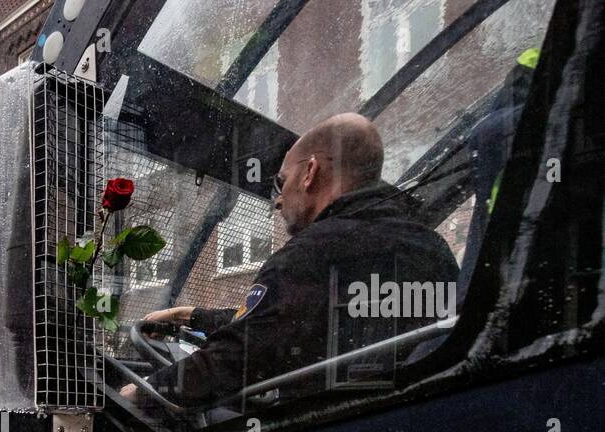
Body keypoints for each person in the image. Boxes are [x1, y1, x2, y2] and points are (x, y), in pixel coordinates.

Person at [121, 112, 459, 411]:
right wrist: (191, 316)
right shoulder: (433, 251)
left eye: (281, 183)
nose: (279, 201)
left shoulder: (311, 255)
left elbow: (234, 360)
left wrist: (138, 394)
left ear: (310, 172)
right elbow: (301, 317)